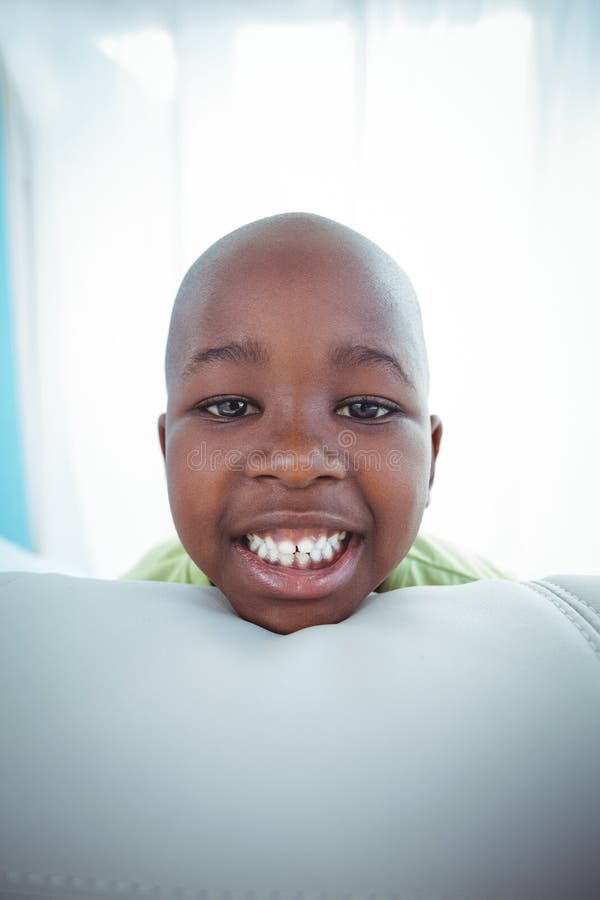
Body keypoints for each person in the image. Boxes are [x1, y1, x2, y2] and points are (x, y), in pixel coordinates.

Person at [124, 212, 508, 633]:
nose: (297, 462)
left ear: (431, 461)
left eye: (366, 409)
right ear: (167, 454)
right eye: (230, 407)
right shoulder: (126, 619)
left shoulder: (500, 620)